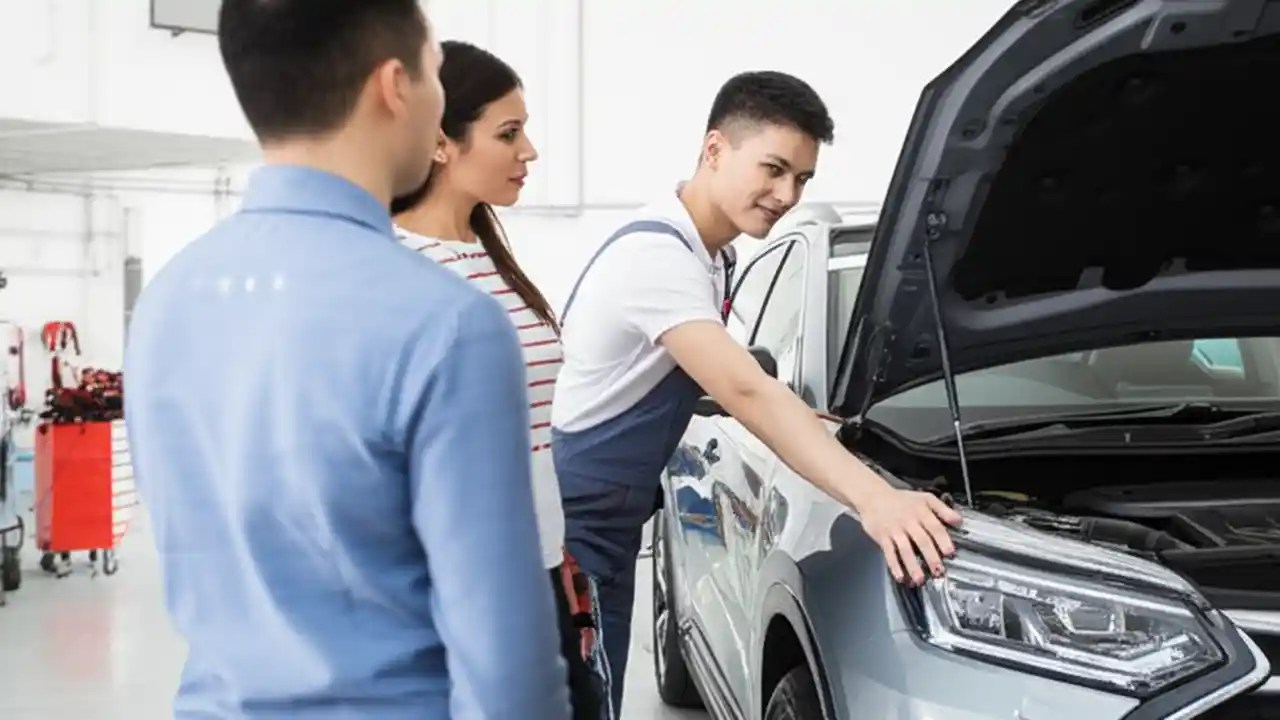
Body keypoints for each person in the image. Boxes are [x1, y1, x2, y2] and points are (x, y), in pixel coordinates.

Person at [123, 2, 569, 718]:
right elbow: (506, 669)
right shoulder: (447, 323)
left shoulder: (167, 302)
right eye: (433, 73)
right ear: (396, 85)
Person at [550, 70, 965, 717]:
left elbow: (696, 373)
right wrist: (876, 499)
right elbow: (744, 386)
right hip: (573, 529)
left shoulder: (713, 256)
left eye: (801, 179)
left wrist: (810, 416)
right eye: (773, 168)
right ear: (714, 149)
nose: (785, 194)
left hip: (604, 524)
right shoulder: (658, 256)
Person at [391, 40, 601, 719]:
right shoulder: (398, 267)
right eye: (508, 133)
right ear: (441, 143)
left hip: (532, 568)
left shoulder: (484, 251)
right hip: (462, 589)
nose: (530, 151)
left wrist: (555, 551)